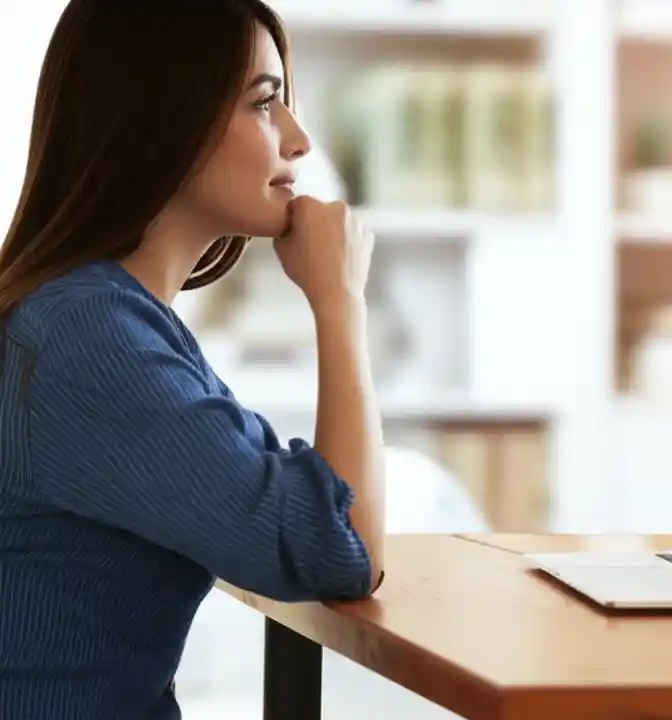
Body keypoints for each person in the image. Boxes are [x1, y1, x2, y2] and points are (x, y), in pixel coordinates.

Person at [0, 1, 386, 717]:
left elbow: (302, 512)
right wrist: (340, 304)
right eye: (265, 104)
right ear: (162, 120)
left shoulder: (108, 320)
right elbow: (340, 551)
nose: (297, 141)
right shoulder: (87, 337)